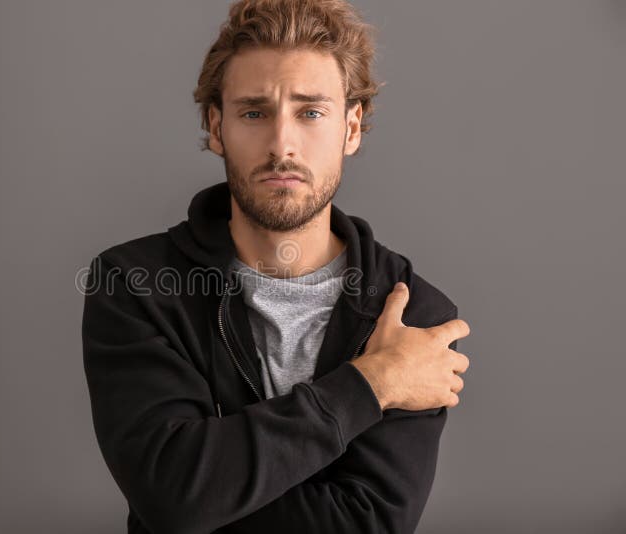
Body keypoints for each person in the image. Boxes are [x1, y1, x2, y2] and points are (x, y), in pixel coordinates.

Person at [81, 0, 471, 532]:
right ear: (217, 126)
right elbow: (172, 494)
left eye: (311, 112)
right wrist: (372, 383)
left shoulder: (412, 319)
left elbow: (368, 524)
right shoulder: (136, 284)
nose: (282, 144)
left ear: (351, 129)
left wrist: (211, 489)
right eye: (254, 112)